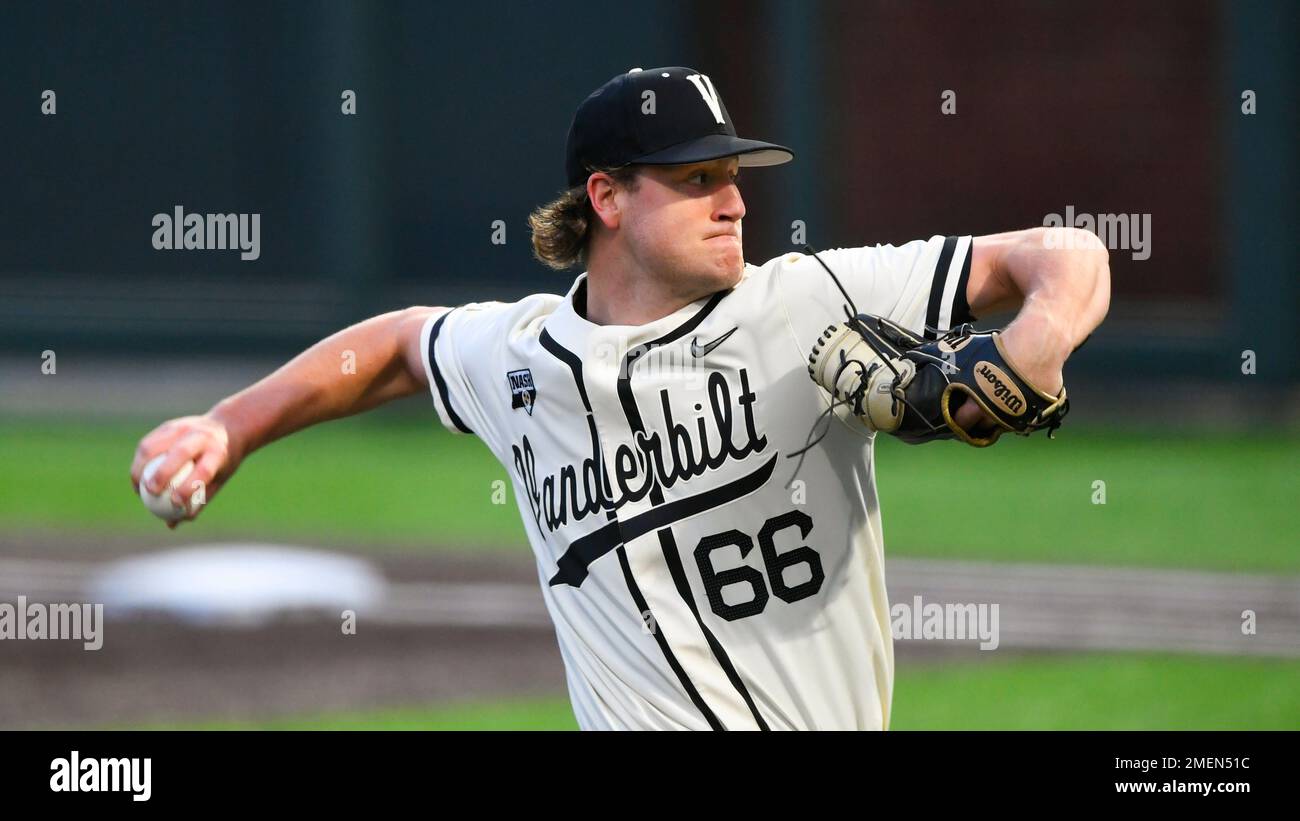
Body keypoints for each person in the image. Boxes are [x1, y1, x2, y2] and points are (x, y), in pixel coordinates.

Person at [130, 66, 1110, 730]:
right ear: (606, 198)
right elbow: (394, 347)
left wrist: (1027, 348)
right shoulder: (520, 357)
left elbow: (1065, 253)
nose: (733, 202)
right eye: (697, 179)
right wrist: (231, 427)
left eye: (733, 176)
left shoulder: (807, 300)